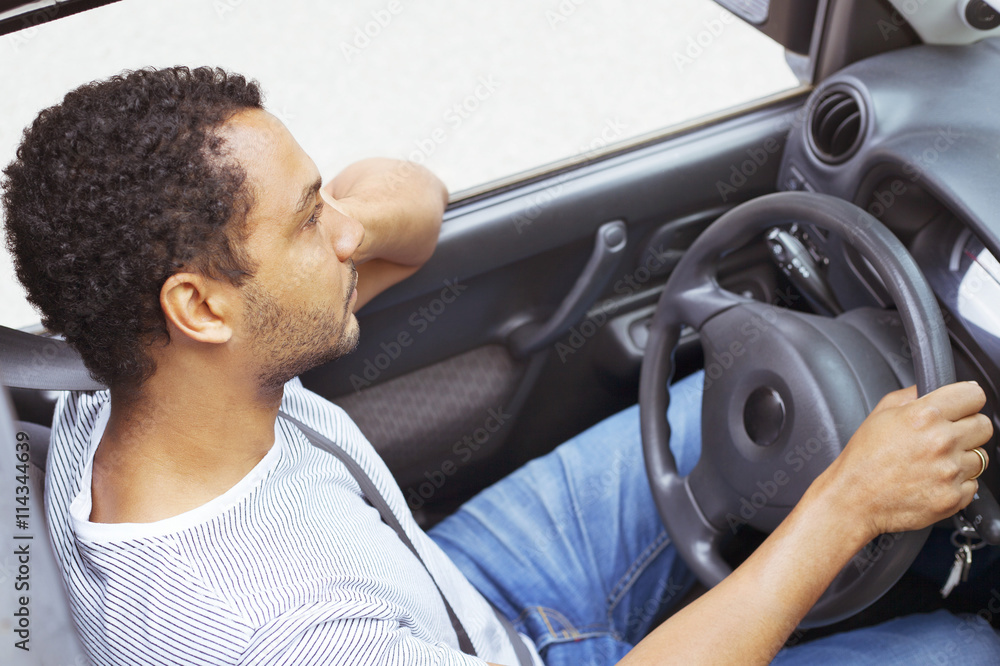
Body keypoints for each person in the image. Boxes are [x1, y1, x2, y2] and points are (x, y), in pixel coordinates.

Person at [3, 66, 999, 666]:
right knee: (962, 651)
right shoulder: (270, 635)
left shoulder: (138, 382)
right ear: (200, 305)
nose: (345, 237)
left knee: (740, 402)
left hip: (460, 594)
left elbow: (412, 209)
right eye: (310, 220)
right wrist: (844, 507)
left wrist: (334, 224)